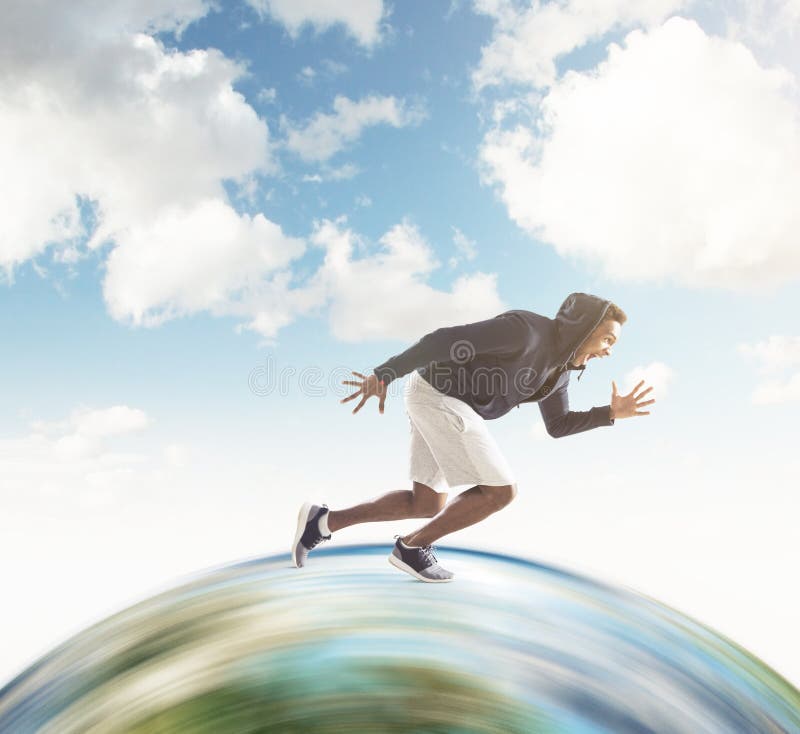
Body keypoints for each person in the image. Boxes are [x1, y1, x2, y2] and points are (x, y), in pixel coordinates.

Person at [291, 292, 654, 582]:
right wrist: (386, 373)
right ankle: (412, 547)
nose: (609, 350)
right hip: (440, 395)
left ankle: (323, 521)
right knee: (501, 491)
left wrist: (608, 414)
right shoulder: (525, 331)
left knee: (426, 503)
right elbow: (443, 341)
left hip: (438, 398)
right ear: (583, 328)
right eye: (607, 339)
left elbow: (557, 424)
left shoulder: (558, 372)